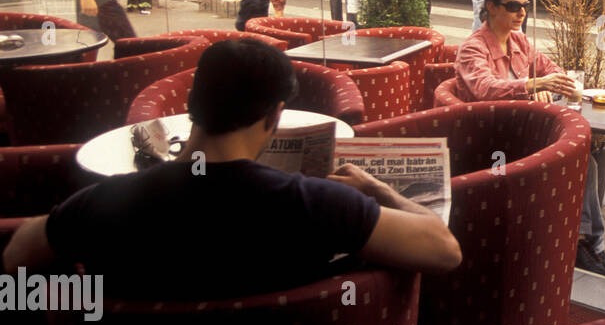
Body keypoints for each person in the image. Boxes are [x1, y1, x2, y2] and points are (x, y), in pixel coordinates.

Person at [2, 40, 461, 299]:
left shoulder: (102, 203)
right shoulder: (314, 205)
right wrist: (377, 189)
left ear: (190, 105)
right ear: (273, 116)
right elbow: (444, 250)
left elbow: (18, 257)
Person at [453, 0, 605, 275]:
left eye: (524, 5)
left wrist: (554, 83)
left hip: (522, 131)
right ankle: (579, 244)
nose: (522, 13)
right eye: (513, 6)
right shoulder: (473, 48)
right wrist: (532, 84)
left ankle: (589, 243)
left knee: (585, 160)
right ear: (491, 7)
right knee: (580, 162)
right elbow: (484, 88)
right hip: (490, 139)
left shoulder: (519, 41)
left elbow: (552, 70)